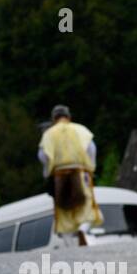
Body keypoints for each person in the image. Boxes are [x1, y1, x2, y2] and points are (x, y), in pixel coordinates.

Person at [37, 105, 101, 246]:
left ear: (54, 119)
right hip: (79, 172)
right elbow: (92, 148)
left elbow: (43, 155)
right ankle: (83, 230)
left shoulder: (49, 134)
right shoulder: (80, 130)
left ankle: (68, 244)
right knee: (86, 205)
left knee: (63, 209)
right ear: (69, 117)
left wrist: (47, 172)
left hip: (59, 175)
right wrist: (90, 168)